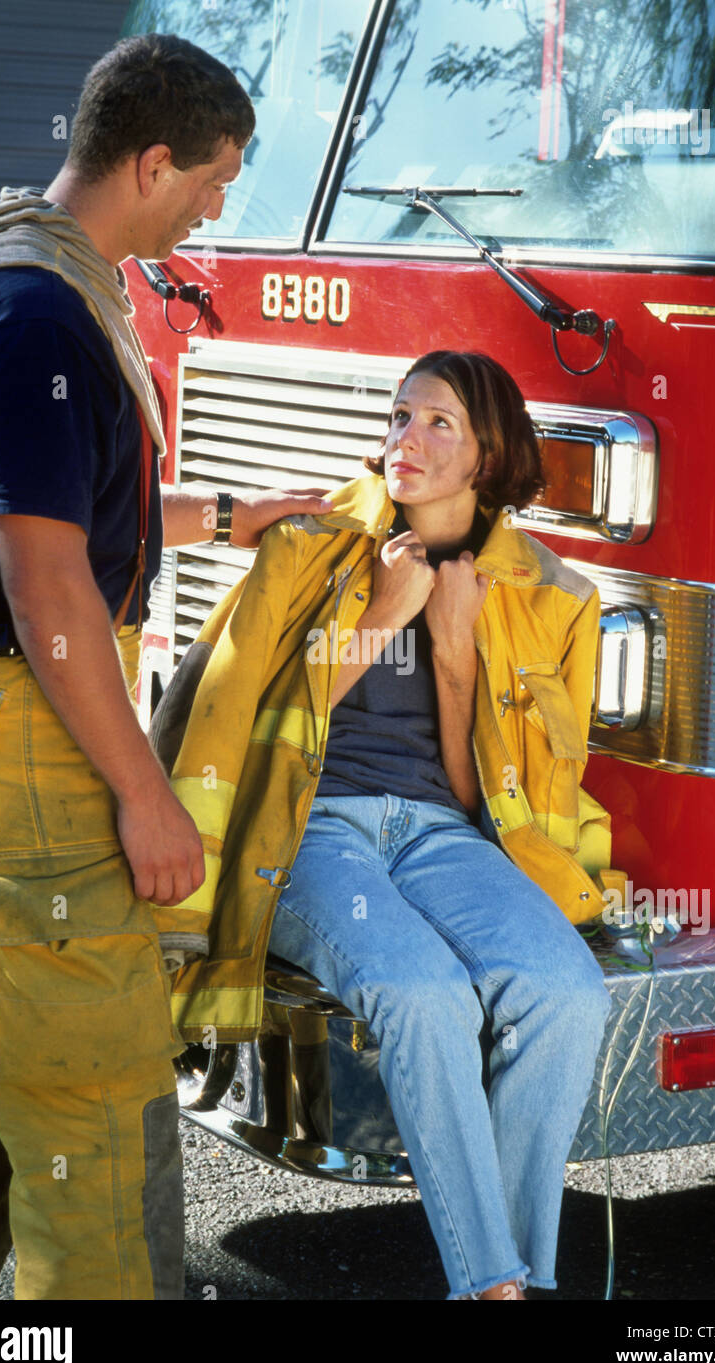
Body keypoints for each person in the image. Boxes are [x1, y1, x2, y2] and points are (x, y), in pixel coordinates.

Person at [0, 33, 332, 1300]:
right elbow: (46, 582)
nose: (221, 205)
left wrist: (224, 514)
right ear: (153, 161)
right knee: (95, 1127)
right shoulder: (35, 310)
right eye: (216, 177)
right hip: (26, 747)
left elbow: (65, 508)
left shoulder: (16, 269)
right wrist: (143, 793)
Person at [149, 350, 617, 1300]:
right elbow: (254, 720)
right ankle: (493, 1287)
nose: (405, 437)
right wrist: (382, 619)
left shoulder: (552, 597)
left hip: (442, 834)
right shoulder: (316, 546)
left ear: (487, 456)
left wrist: (450, 647)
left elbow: (478, 793)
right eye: (400, 416)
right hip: (311, 829)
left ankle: (519, 1276)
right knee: (423, 991)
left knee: (568, 991)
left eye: (437, 422)